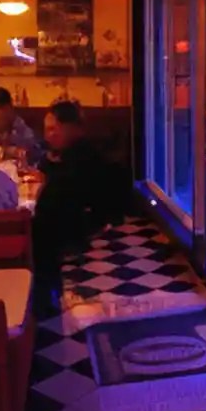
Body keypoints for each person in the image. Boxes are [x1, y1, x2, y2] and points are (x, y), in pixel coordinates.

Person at [31, 101, 128, 314]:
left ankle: (43, 298)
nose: (48, 135)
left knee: (31, 229)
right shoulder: (73, 153)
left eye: (53, 129)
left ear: (72, 127)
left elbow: (61, 191)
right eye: (46, 129)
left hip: (75, 223)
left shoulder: (81, 157)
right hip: (74, 219)